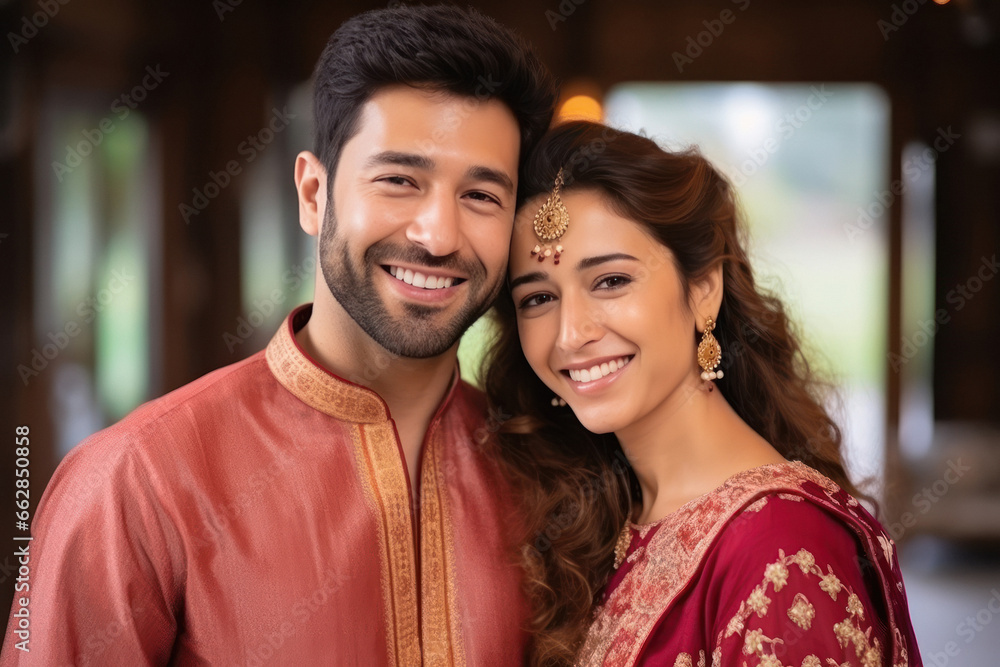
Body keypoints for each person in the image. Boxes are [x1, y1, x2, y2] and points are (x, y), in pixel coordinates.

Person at [2, 5, 556, 665]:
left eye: (482, 196)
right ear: (313, 194)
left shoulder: (545, 475)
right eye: (399, 181)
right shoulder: (135, 481)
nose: (438, 235)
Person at [484, 120, 922, 667]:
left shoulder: (783, 549)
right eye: (538, 299)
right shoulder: (601, 523)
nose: (570, 335)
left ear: (703, 289)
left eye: (611, 281)